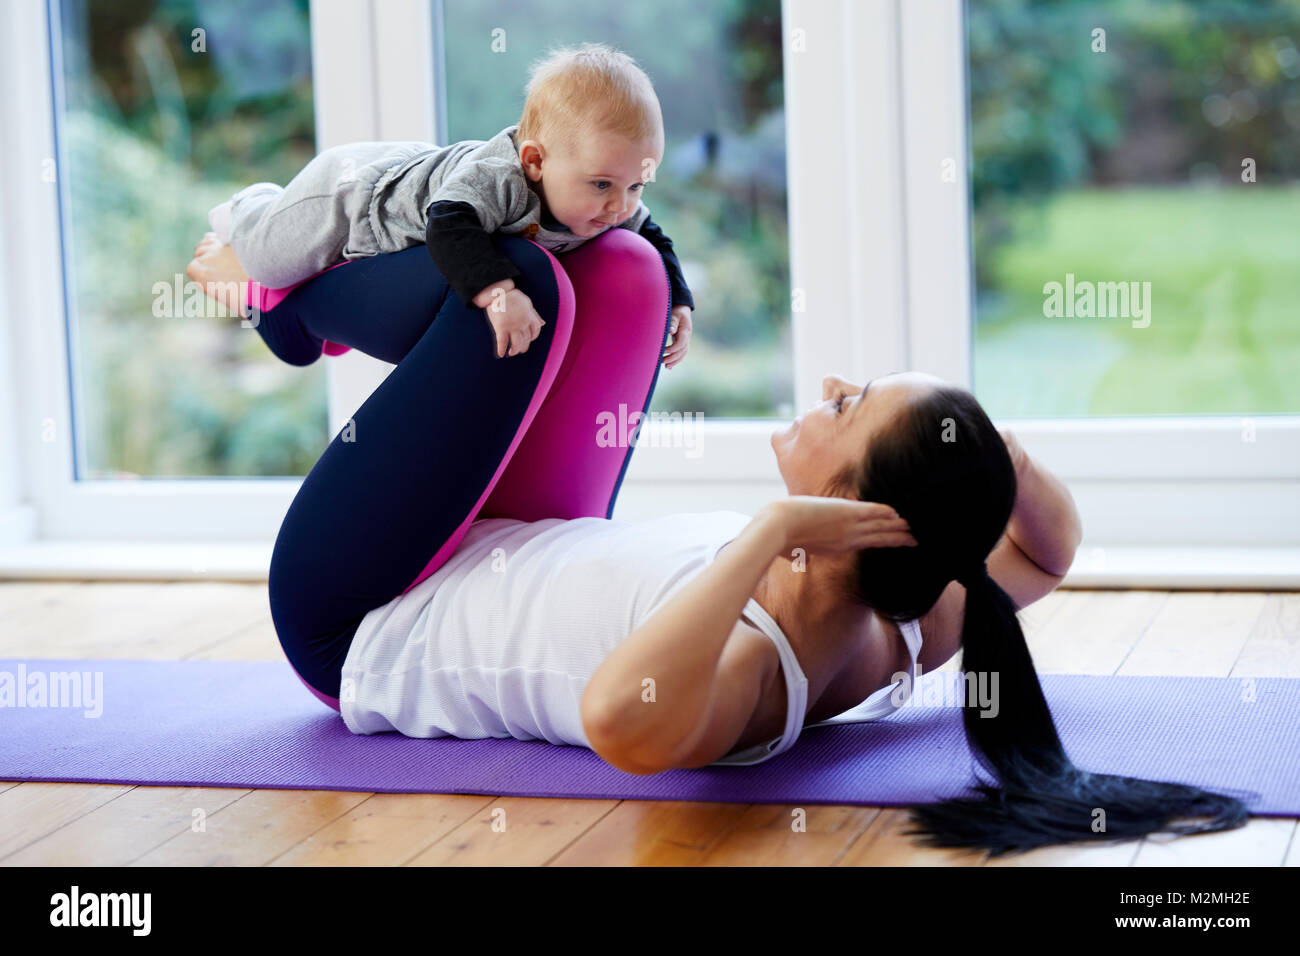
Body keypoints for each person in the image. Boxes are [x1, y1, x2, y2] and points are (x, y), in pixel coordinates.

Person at [187, 203, 1251, 864]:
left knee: (502, 283)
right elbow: (1043, 551)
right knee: (625, 274)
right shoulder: (892, 623)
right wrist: (986, 452)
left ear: (860, 512)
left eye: (852, 405)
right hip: (508, 531)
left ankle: (277, 292)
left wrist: (766, 533)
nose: (831, 383)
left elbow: (618, 721)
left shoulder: (749, 664)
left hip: (365, 611)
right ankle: (306, 284)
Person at [194, 41, 694, 366]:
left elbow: (653, 238)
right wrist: (499, 293)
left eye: (638, 185)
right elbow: (448, 222)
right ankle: (253, 205)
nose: (619, 208)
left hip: (409, 192)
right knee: (268, 262)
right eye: (603, 185)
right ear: (535, 160)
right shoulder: (501, 181)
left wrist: (680, 303)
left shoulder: (612, 201)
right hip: (356, 193)